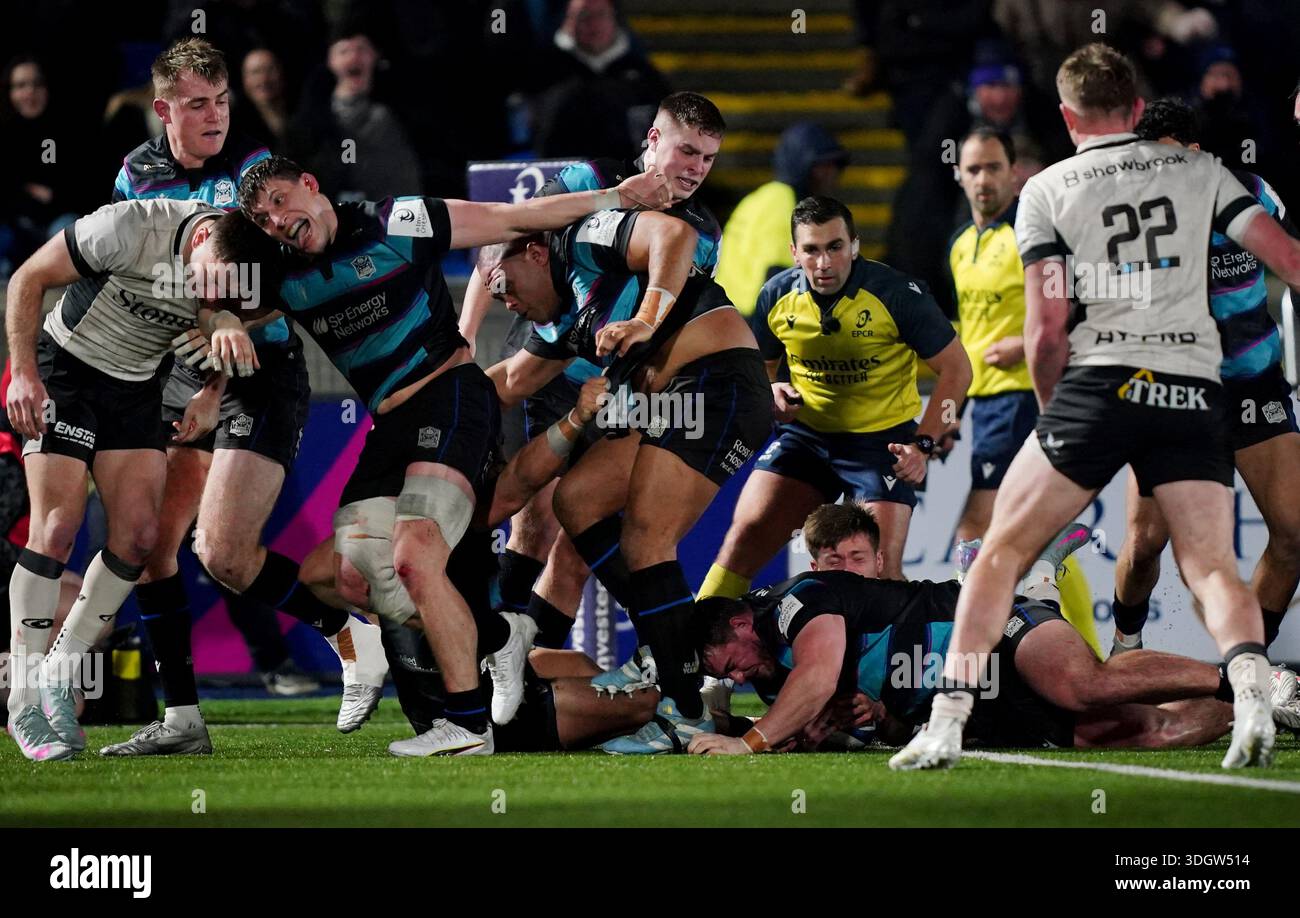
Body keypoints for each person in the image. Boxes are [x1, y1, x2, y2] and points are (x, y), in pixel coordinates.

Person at [890, 43, 1300, 773]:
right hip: (1191, 386)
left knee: (1001, 554)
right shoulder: (1204, 173)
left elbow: (1047, 330)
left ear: (1066, 114)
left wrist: (1053, 418)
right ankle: (1252, 692)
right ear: (1137, 109)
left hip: (1102, 381)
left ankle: (945, 723)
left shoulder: (1048, 186)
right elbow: (1290, 262)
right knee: (1209, 565)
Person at [237, 153, 672, 756]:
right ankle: (499, 637)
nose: (277, 222)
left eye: (280, 203)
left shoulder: (398, 222)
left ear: (311, 186)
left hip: (449, 395)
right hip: (388, 424)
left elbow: (509, 217)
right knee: (344, 575)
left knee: (415, 554)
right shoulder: (282, 274)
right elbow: (220, 290)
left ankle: (470, 727)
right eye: (261, 220)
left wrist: (617, 197)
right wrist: (216, 334)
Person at [108, 39, 383, 759]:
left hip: (261, 371)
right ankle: (183, 719)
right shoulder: (134, 177)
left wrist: (216, 377)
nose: (215, 117)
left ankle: (352, 638)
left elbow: (279, 292)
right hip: (175, 370)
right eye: (197, 104)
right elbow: (137, 279)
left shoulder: (258, 176)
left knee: (224, 554)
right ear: (163, 108)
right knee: (151, 547)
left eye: (223, 101)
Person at [481, 202, 773, 753]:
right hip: (666, 401)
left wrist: (646, 316)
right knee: (577, 498)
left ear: (537, 252)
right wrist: (428, 400)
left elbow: (675, 232)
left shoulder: (583, 244)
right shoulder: (563, 318)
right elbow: (512, 378)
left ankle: (684, 707)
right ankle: (667, 657)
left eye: (506, 285)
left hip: (719, 385)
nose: (509, 303)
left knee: (645, 540)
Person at [459, 91, 725, 674]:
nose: (695, 169)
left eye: (706, 159)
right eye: (685, 151)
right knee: (533, 518)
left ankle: (525, 664)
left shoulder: (703, 232)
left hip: (614, 385)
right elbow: (509, 237)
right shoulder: (592, 178)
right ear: (652, 141)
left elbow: (671, 321)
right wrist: (465, 333)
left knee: (579, 532)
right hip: (551, 356)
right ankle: (497, 654)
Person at [688, 503, 1298, 756]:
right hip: (979, 705)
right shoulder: (773, 679)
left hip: (990, 625)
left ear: (744, 622)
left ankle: (1252, 678)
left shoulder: (798, 601)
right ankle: (1266, 708)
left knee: (1079, 685)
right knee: (1151, 730)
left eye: (730, 662)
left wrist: (749, 743)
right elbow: (892, 718)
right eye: (725, 678)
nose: (737, 676)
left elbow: (819, 673)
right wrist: (875, 716)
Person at [4, 197, 272, 761]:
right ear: (198, 245)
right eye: (209, 286)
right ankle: (24, 703)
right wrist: (24, 374)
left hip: (136, 388)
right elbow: (28, 277)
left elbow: (223, 327)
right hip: (67, 370)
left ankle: (59, 670)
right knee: (55, 530)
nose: (212, 298)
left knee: (141, 537)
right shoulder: (130, 227)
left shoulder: (233, 266)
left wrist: (210, 392)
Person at [700, 195, 971, 594]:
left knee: (877, 571)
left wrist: (924, 443)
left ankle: (907, 647)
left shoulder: (897, 295)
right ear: (794, 252)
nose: (824, 263)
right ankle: (691, 646)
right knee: (745, 535)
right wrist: (772, 391)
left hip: (883, 443)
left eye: (835, 247)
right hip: (807, 439)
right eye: (811, 250)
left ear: (854, 245)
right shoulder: (775, 296)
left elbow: (957, 369)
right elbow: (761, 368)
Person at [1111, 97, 1300, 657]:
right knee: (1146, 544)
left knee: (1294, 536)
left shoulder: (1253, 194)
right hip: (1173, 398)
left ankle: (1242, 678)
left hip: (1254, 389)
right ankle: (1127, 646)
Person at [947, 127, 1099, 655]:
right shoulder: (961, 245)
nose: (983, 179)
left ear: (1015, 173)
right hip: (984, 403)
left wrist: (1026, 342)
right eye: (973, 169)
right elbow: (966, 335)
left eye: (993, 167)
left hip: (1021, 398)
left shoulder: (1031, 235)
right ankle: (1066, 644)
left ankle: (976, 656)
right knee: (1031, 534)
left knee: (984, 528)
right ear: (959, 175)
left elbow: (1077, 299)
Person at [713, 122, 846, 319]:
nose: (831, 175)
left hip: (732, 314)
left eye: (834, 167)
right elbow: (777, 274)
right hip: (751, 320)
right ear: (803, 166)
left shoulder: (763, 197)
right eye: (822, 166)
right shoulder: (782, 202)